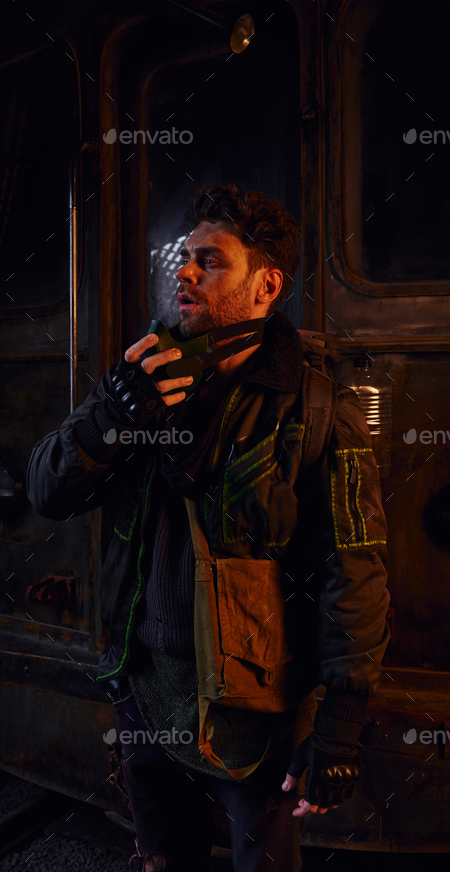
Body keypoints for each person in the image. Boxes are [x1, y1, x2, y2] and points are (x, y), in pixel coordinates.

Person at [27, 183, 391, 872]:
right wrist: (107, 414)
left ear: (266, 285)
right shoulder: (145, 379)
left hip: (256, 711)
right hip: (144, 692)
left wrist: (342, 719)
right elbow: (47, 488)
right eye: (184, 258)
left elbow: (357, 568)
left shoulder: (315, 408)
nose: (185, 273)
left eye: (211, 261)